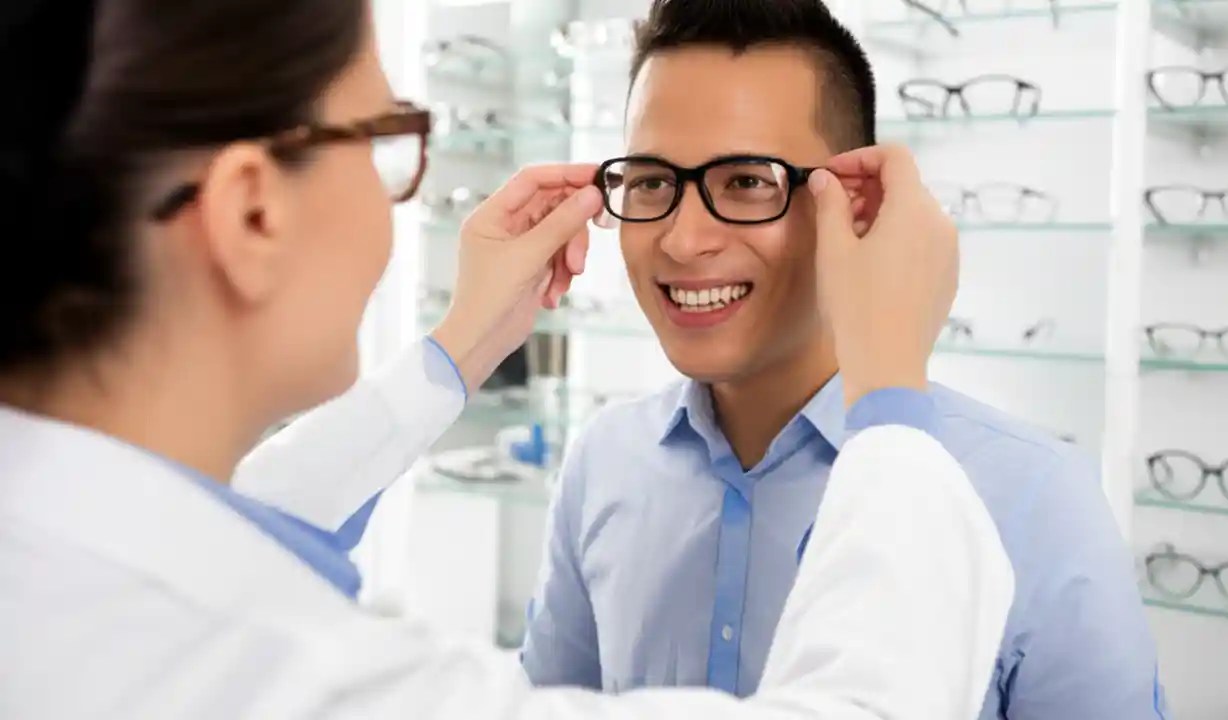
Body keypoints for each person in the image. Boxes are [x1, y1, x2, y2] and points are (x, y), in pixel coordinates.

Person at [0, 0, 1014, 717]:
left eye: (745, 182)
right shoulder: (272, 669)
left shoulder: (59, 556)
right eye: (389, 136)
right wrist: (886, 380)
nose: (689, 234)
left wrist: (456, 350)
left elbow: (229, 528)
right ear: (251, 210)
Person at [520, 2, 1168, 718]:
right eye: (650, 181)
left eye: (746, 181)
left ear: (855, 204)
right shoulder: (603, 463)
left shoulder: (1034, 497)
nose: (682, 239)